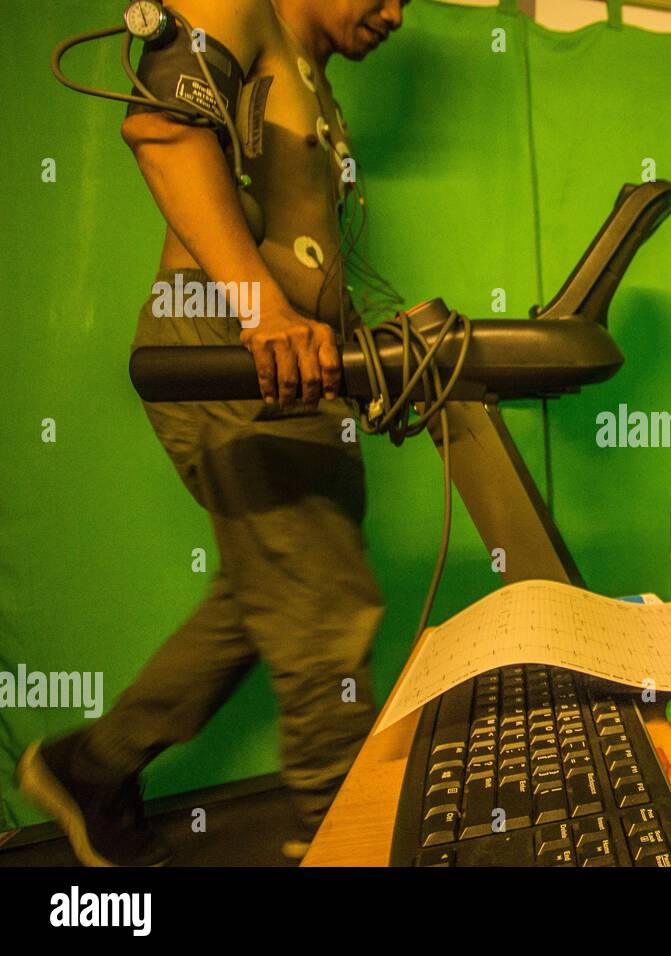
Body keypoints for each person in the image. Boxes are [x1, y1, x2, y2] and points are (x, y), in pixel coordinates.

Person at [18, 0, 409, 866]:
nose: (397, 14)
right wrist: (263, 312)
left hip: (297, 361)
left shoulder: (318, 83)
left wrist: (380, 344)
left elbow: (304, 239)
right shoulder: (237, 5)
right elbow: (163, 131)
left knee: (264, 589)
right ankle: (346, 843)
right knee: (324, 605)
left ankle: (94, 766)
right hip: (227, 342)